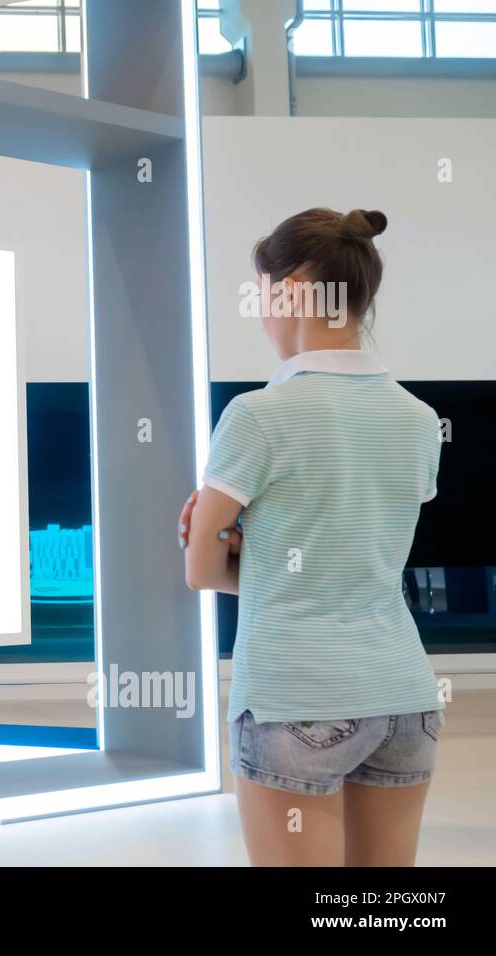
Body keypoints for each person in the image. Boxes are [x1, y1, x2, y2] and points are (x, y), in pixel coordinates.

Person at [179, 208, 444, 866]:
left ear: (293, 289)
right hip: (404, 700)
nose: (262, 314)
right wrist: (272, 554)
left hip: (293, 701)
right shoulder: (417, 420)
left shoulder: (257, 416)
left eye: (262, 294)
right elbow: (359, 557)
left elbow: (201, 569)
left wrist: (242, 554)